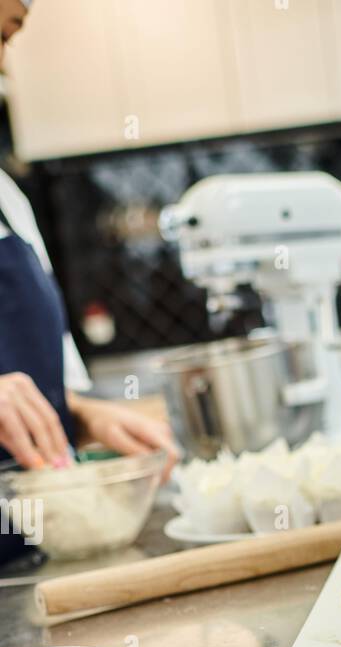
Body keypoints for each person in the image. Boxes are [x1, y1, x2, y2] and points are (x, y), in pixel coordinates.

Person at [0, 0, 176, 477]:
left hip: (34, 538)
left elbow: (48, 392)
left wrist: (87, 417)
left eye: (5, 39)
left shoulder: (8, 202)